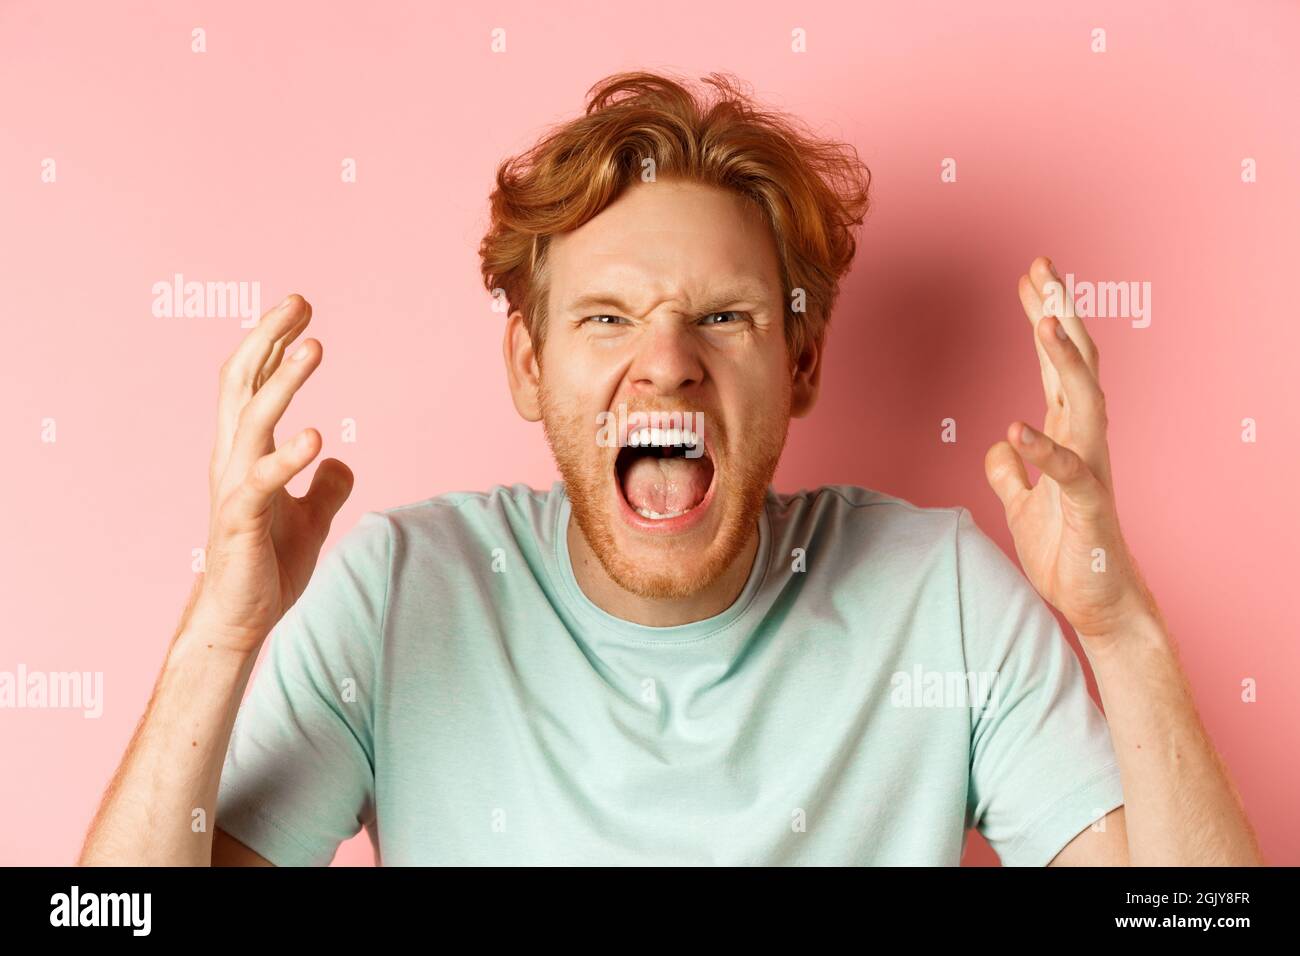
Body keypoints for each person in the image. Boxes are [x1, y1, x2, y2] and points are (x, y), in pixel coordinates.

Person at [80, 71, 1262, 866]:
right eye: (605, 319)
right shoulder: (405, 590)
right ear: (528, 368)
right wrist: (217, 640)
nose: (667, 366)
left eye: (725, 319)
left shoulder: (938, 593)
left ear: (799, 364)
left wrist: (1118, 627)